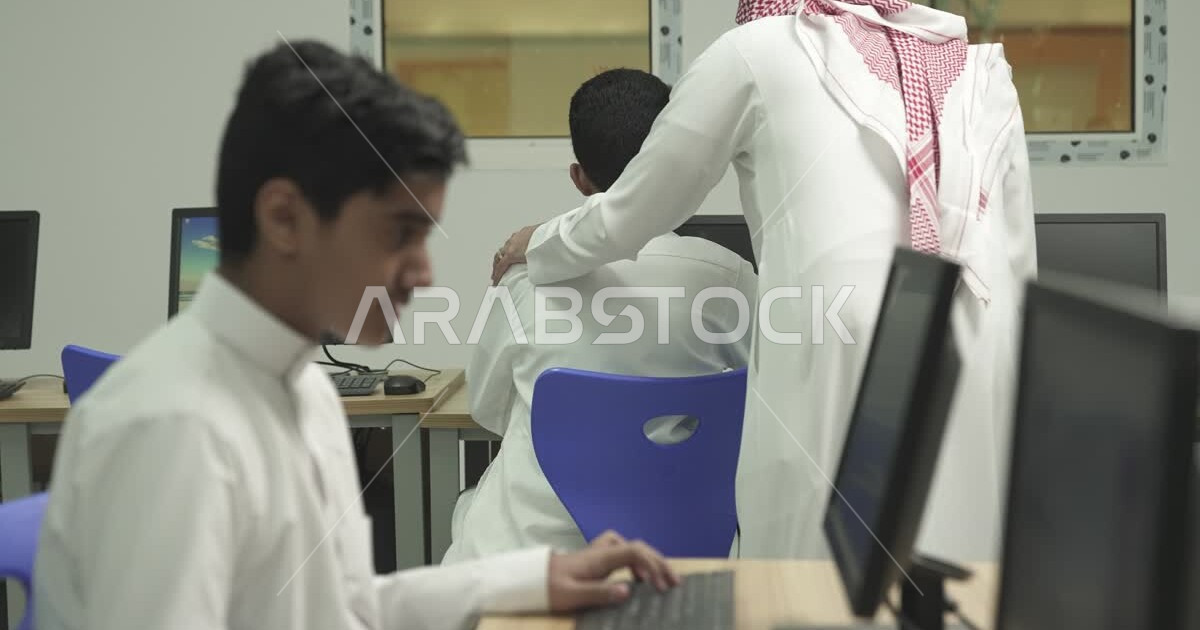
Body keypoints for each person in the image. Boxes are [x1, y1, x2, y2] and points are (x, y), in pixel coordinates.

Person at [33, 40, 678, 630]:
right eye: (397, 232)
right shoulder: (172, 428)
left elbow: (343, 604)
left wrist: (534, 577)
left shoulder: (303, 393)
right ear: (285, 218)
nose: (424, 272)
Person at [490, 0, 1038, 563]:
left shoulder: (755, 51)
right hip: (981, 343)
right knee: (963, 573)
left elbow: (629, 212)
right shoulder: (976, 71)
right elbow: (1019, 261)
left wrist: (536, 243)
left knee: (811, 580)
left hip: (833, 348)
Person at [442, 69, 757, 564]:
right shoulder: (729, 278)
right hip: (686, 552)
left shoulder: (525, 282)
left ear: (578, 177)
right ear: (672, 167)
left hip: (535, 564)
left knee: (471, 504)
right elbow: (756, 401)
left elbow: (487, 411)